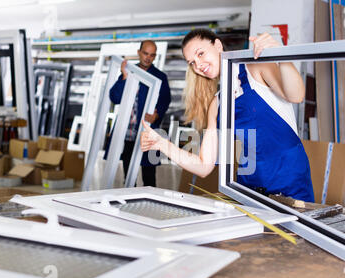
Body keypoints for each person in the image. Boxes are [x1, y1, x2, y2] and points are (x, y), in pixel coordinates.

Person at [141, 29, 314, 202]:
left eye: (200, 54)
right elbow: (203, 166)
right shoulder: (217, 103)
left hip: (289, 179)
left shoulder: (255, 68)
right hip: (250, 186)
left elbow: (296, 95)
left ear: (217, 45)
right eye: (192, 62)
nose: (198, 64)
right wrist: (162, 144)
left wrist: (280, 54)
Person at [109, 40, 171, 187]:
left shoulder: (160, 77)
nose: (148, 58)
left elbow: (165, 100)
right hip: (129, 133)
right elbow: (115, 98)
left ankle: (150, 207)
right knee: (129, 176)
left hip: (149, 133)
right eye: (145, 53)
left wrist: (157, 114)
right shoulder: (129, 72)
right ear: (139, 52)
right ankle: (129, 206)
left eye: (152, 55)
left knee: (149, 177)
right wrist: (123, 77)